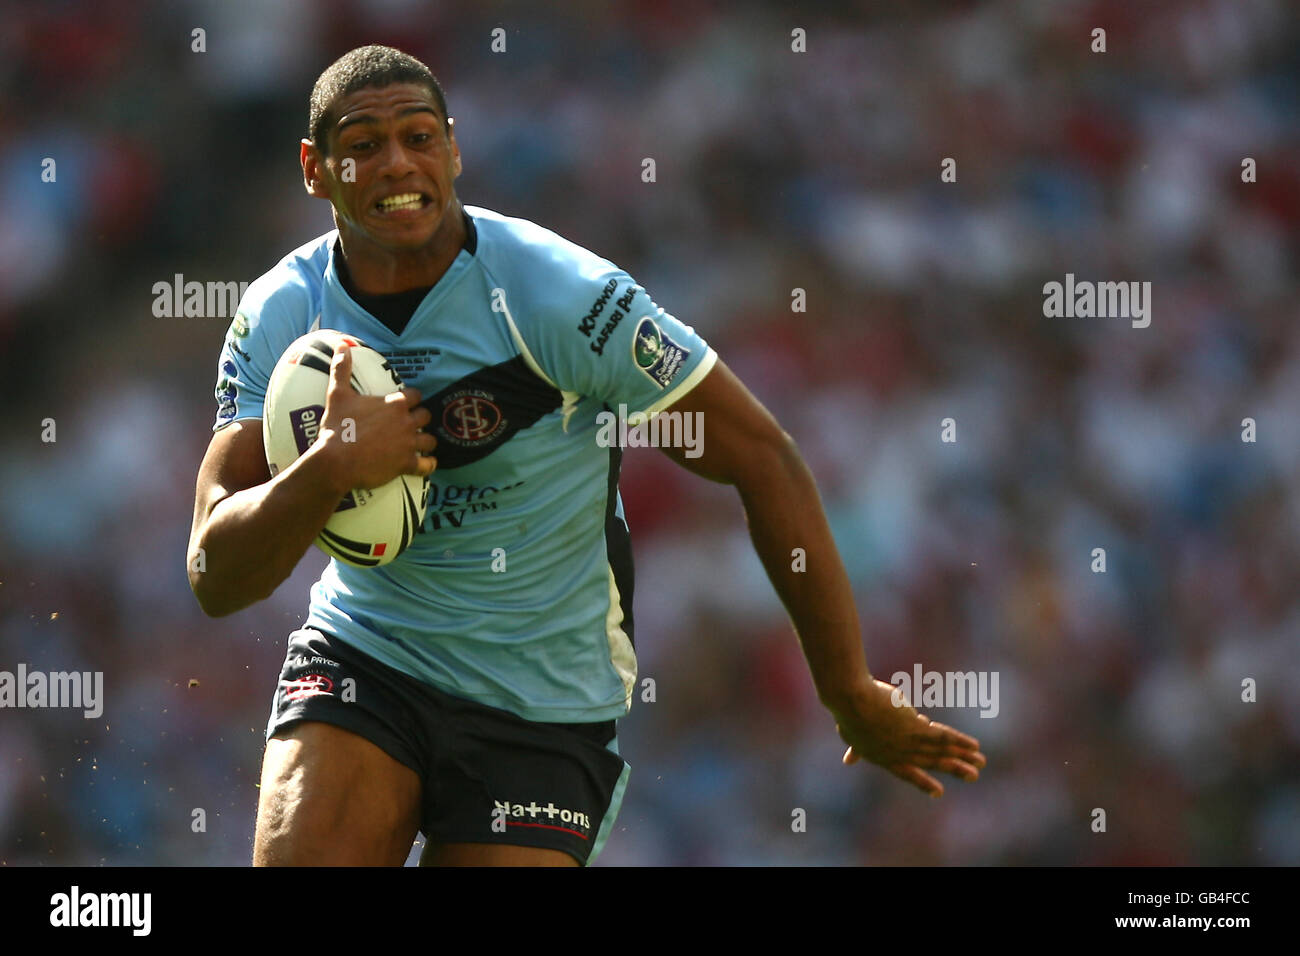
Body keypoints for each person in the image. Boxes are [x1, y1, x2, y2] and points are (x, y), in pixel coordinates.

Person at [187, 44, 986, 867]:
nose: (398, 162)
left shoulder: (560, 297)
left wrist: (846, 687)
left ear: (454, 150)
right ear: (315, 170)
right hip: (369, 656)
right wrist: (329, 470)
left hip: (542, 704)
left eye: (420, 137)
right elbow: (214, 574)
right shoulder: (281, 313)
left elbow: (762, 458)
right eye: (363, 145)